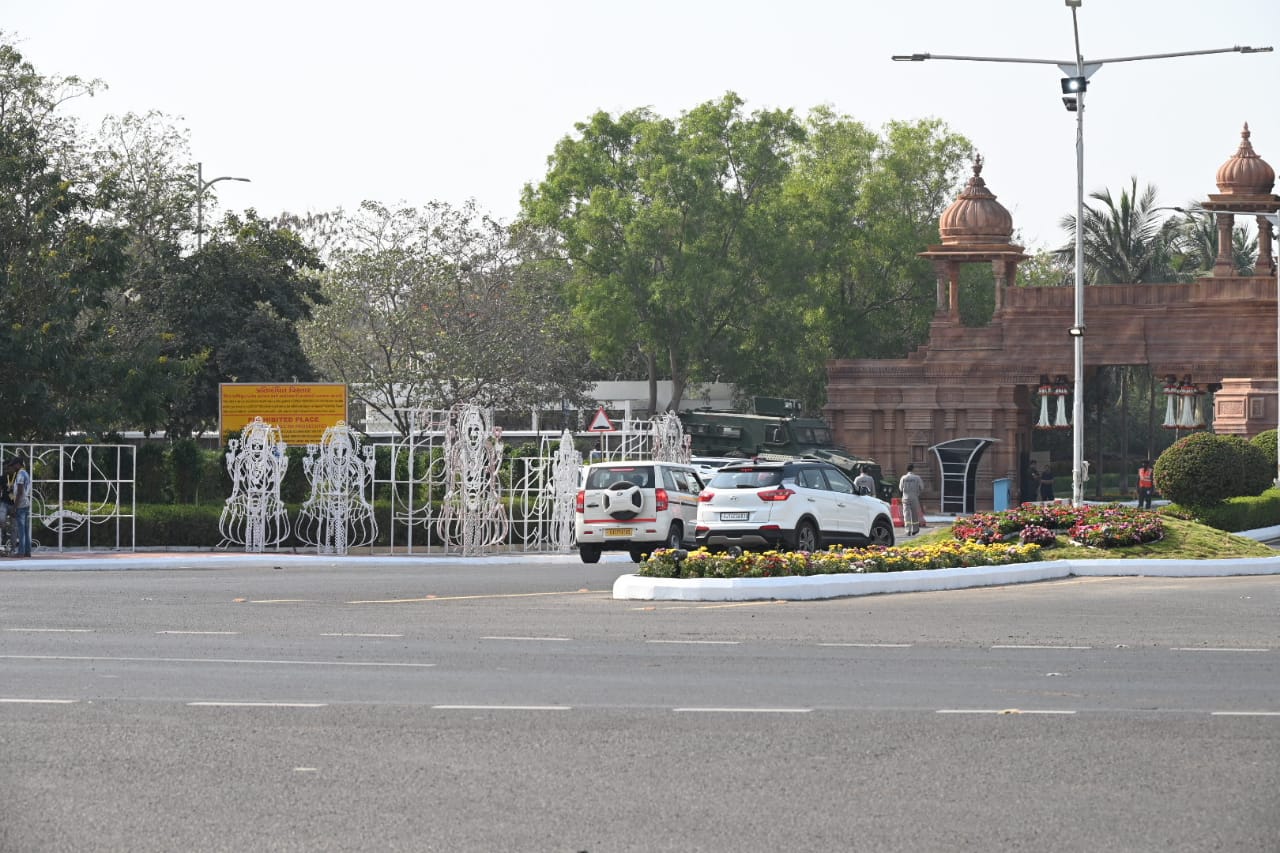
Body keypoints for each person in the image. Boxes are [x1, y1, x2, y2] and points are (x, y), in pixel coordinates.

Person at [9, 455, 31, 557]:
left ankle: (21, 552)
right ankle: (27, 551)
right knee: (26, 530)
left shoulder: (20, 475)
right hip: (26, 504)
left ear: (18, 465)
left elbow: (19, 492)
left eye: (13, 465)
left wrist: (15, 507)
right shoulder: (26, 473)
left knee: (21, 531)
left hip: (21, 505)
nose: (12, 467)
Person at [898, 464, 924, 535]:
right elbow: (922, 487)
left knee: (906, 514)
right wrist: (917, 492)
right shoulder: (917, 478)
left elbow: (900, 488)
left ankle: (907, 530)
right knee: (914, 514)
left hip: (905, 498)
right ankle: (915, 529)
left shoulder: (903, 478)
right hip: (914, 497)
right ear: (913, 469)